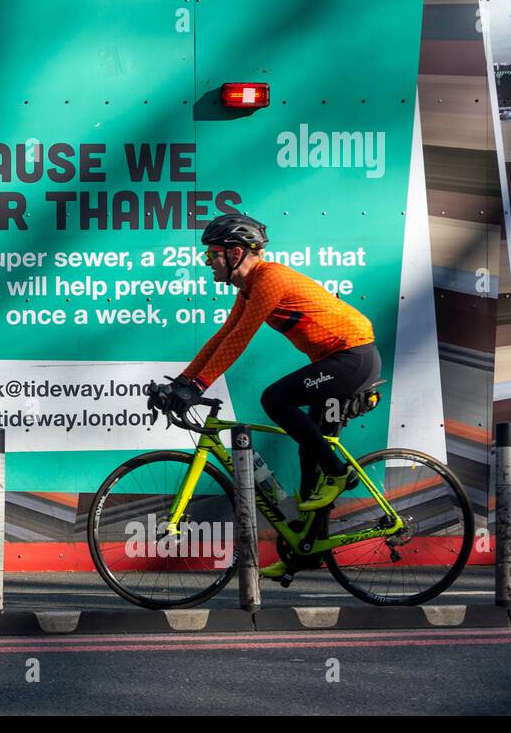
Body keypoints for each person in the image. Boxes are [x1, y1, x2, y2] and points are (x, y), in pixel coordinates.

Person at [160, 212, 382, 579]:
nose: (207, 263)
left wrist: (198, 386)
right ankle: (306, 553)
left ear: (236, 254)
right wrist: (182, 382)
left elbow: (240, 339)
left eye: (211, 254)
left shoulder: (270, 279)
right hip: (337, 359)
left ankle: (339, 473)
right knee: (309, 451)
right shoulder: (249, 288)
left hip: (352, 356)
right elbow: (221, 336)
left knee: (275, 399)